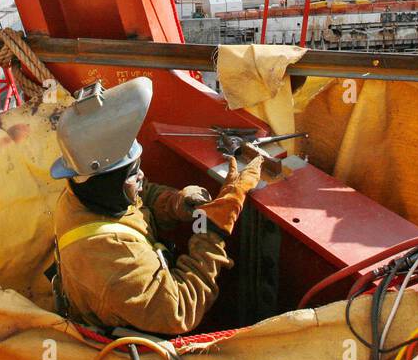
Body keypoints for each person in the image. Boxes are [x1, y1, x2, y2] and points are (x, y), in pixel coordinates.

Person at [49, 78, 263, 336]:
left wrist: (176, 203)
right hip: (130, 346)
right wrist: (212, 232)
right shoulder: (108, 256)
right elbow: (178, 312)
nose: (141, 177)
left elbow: (141, 194)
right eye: (133, 173)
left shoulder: (85, 192)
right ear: (107, 180)